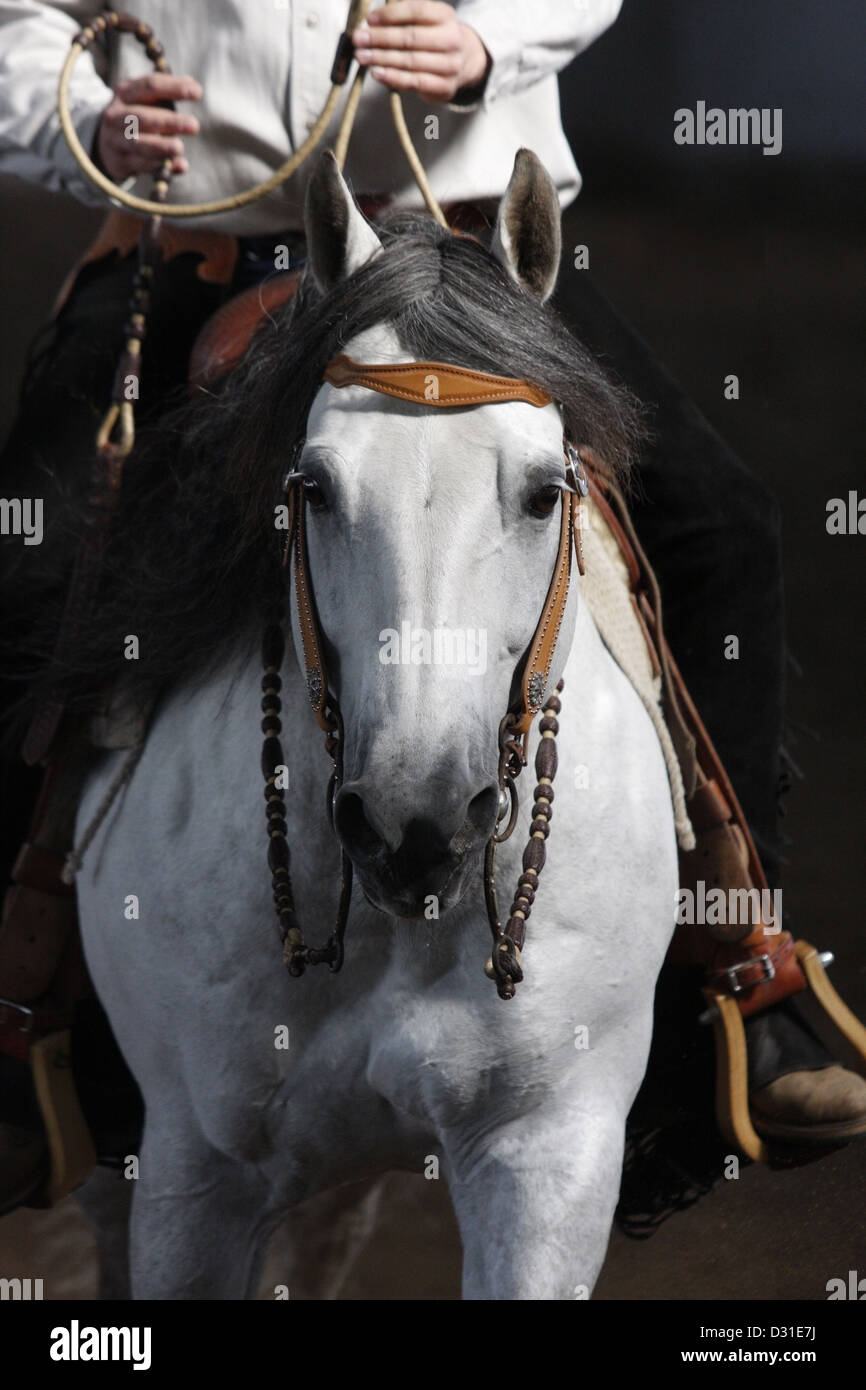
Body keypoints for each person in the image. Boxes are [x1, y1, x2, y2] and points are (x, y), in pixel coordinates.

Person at [0, 0, 863, 1216]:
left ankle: (745, 975)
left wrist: (485, 42)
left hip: (472, 262)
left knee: (721, 530)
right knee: (29, 573)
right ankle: (19, 1006)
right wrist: (84, 114)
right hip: (208, 247)